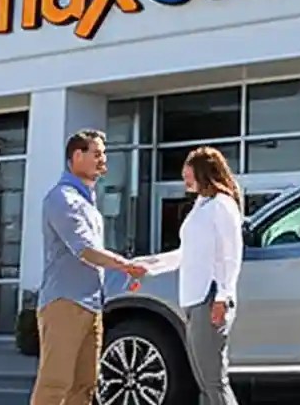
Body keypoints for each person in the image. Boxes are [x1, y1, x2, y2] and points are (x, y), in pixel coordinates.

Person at [31, 128, 148, 405]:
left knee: (84, 386)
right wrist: (124, 266)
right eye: (96, 154)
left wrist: (122, 272)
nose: (103, 161)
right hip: (65, 304)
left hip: (90, 304)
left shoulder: (87, 202)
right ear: (76, 156)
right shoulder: (63, 199)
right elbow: (84, 249)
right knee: (55, 383)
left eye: (103, 154)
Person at [135, 145, 244, 405]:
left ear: (204, 173)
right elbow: (186, 254)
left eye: (188, 176)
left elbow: (231, 254)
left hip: (209, 300)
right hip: (194, 301)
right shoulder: (202, 205)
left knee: (214, 382)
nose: (185, 181)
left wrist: (223, 296)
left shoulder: (222, 204)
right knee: (204, 383)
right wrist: (147, 265)